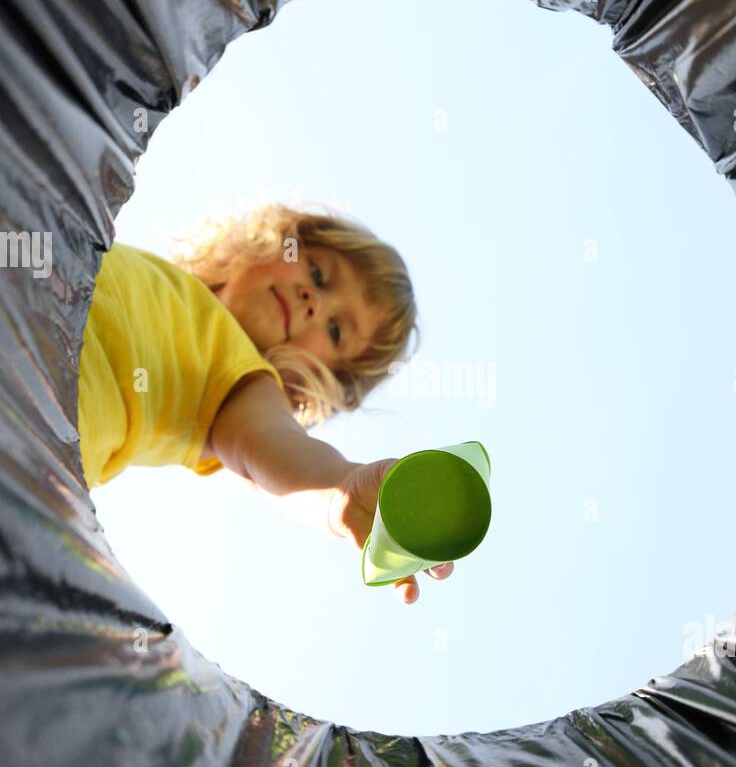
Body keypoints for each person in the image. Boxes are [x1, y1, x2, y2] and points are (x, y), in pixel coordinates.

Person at [77, 202, 454, 604]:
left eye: (335, 330)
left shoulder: (248, 383)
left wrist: (340, 488)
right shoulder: (159, 277)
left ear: (318, 380)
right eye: (318, 274)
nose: (315, 301)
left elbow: (277, 448)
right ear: (281, 241)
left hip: (31, 412)